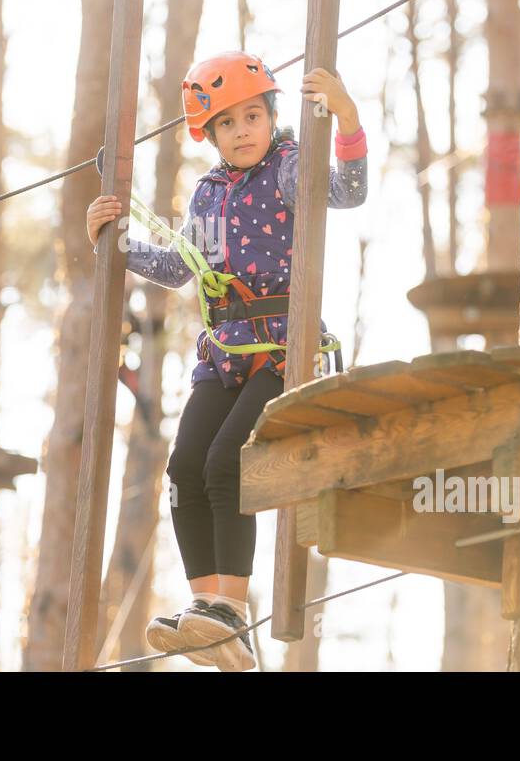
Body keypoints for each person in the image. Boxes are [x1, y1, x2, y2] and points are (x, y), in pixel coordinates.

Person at [85, 50, 368, 670]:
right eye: (226, 124)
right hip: (224, 354)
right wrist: (113, 241)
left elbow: (347, 191)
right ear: (210, 136)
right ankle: (205, 611)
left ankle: (230, 615)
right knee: (185, 466)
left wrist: (344, 117)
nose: (242, 132)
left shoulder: (289, 169)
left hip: (281, 348)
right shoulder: (210, 195)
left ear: (271, 117)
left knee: (224, 464)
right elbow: (176, 268)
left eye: (251, 117)